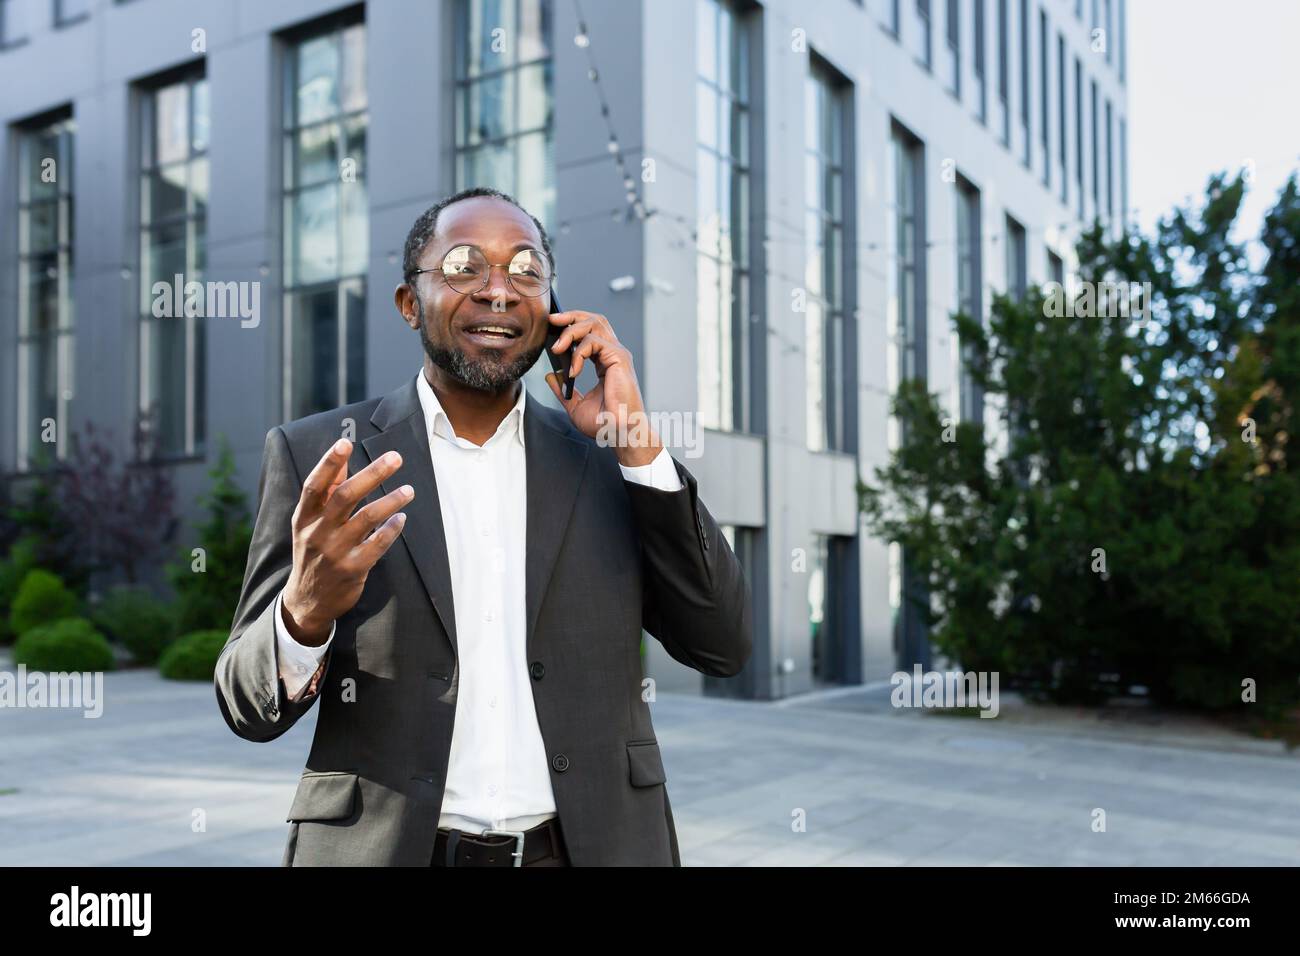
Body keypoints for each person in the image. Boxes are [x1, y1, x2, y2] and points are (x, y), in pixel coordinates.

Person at [214, 186, 752, 866]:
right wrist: (304, 612)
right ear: (410, 304)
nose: (499, 290)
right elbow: (247, 706)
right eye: (465, 265)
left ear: (552, 310)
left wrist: (636, 439)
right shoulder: (322, 455)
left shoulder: (608, 461)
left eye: (527, 270)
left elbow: (723, 645)